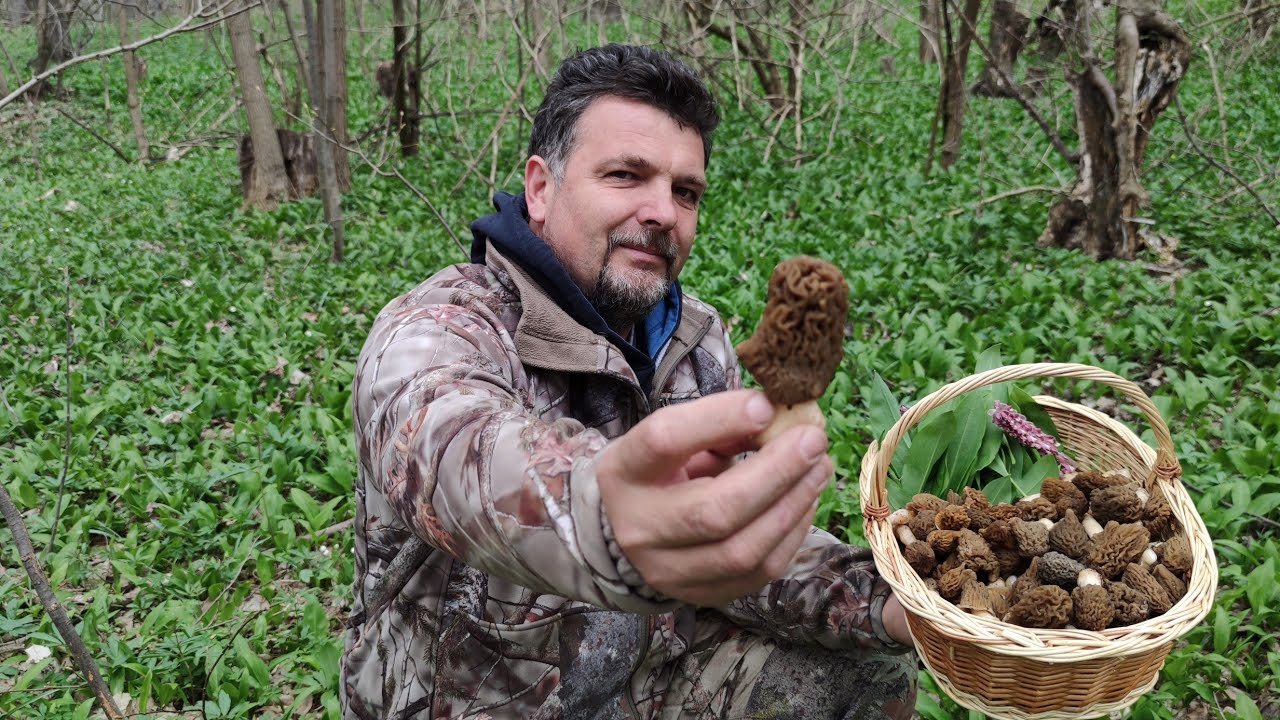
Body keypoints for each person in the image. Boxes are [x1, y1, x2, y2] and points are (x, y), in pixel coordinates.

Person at [341, 44, 916, 720]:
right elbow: (458, 454)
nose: (664, 212)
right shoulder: (436, 330)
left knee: (877, 672)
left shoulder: (696, 342)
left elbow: (723, 543)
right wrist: (605, 511)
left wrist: (886, 601)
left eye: (686, 192)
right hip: (482, 704)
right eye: (625, 175)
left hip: (650, 682)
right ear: (540, 189)